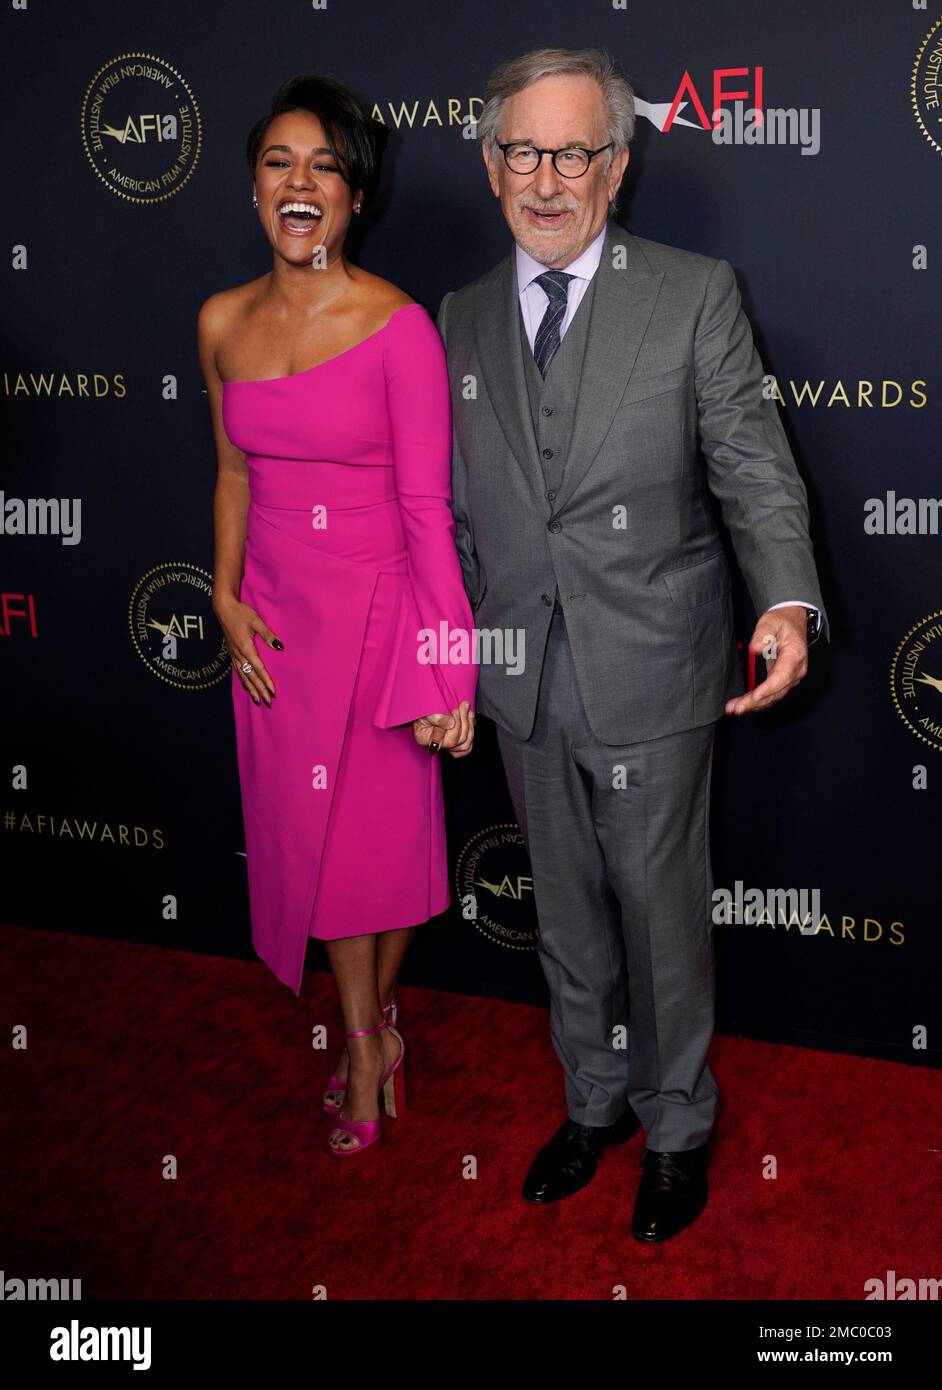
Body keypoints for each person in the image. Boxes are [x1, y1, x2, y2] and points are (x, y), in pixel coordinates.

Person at [436, 47, 828, 1241]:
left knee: (661, 916)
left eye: (574, 151)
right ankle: (592, 1100)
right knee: (562, 910)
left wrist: (785, 600)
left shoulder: (695, 291)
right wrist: (439, 659)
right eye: (522, 150)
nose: (546, 177)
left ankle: (676, 1126)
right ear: (491, 161)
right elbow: (445, 516)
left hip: (653, 667)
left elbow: (754, 470)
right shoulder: (453, 318)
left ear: (617, 163)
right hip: (519, 676)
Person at [197, 73, 477, 1159]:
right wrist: (222, 596)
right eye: (279, 164)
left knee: (377, 852)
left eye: (324, 167)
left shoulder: (399, 326)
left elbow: (426, 508)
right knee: (315, 854)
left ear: (355, 196)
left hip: (380, 614)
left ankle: (364, 1041)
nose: (300, 184)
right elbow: (230, 473)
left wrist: (448, 661)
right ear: (255, 191)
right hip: (275, 627)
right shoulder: (221, 319)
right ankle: (373, 1036)